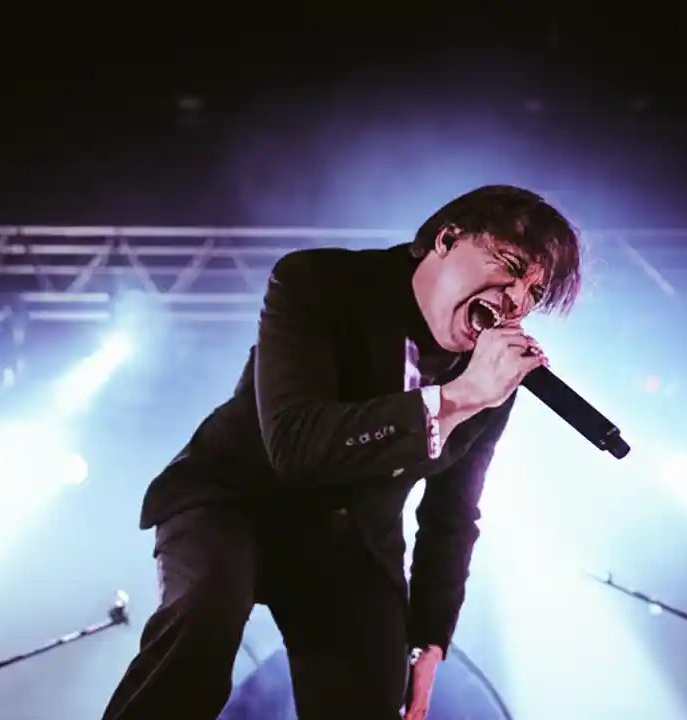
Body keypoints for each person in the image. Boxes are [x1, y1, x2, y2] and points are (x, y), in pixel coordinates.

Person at [102, 185, 582, 719]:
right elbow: (297, 444)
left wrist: (428, 640)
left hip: (352, 541)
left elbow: (453, 513)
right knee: (202, 621)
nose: (516, 300)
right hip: (234, 501)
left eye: (534, 295)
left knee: (366, 697)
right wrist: (454, 398)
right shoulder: (320, 283)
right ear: (447, 239)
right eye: (511, 266)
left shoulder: (491, 376)